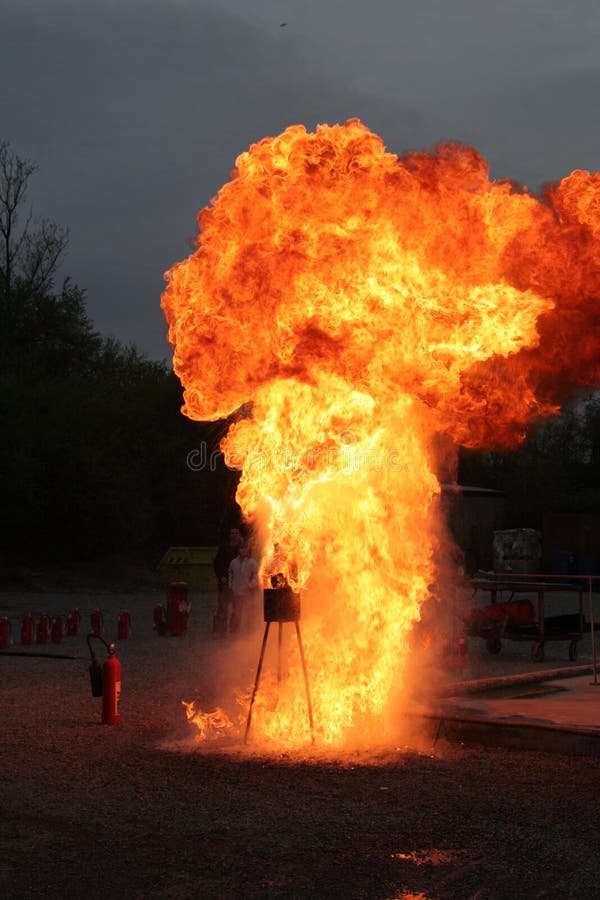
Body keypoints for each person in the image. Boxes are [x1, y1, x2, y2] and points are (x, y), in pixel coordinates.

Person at [212, 526, 244, 636]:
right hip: (225, 582)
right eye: (232, 533)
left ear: (239, 535)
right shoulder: (224, 548)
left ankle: (234, 631)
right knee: (222, 607)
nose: (234, 535)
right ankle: (220, 631)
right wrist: (221, 576)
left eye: (236, 533)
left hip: (238, 584)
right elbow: (217, 563)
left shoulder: (243, 549)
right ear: (230, 536)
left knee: (237, 608)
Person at [228, 540, 259, 634]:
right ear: (239, 550)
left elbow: (256, 576)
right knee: (237, 613)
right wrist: (231, 586)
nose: (243, 550)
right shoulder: (233, 562)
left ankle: (249, 632)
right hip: (236, 592)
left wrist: (250, 585)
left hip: (248, 592)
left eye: (245, 548)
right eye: (241, 548)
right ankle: (235, 631)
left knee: (249, 613)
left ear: (249, 550)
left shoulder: (252, 563)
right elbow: (230, 574)